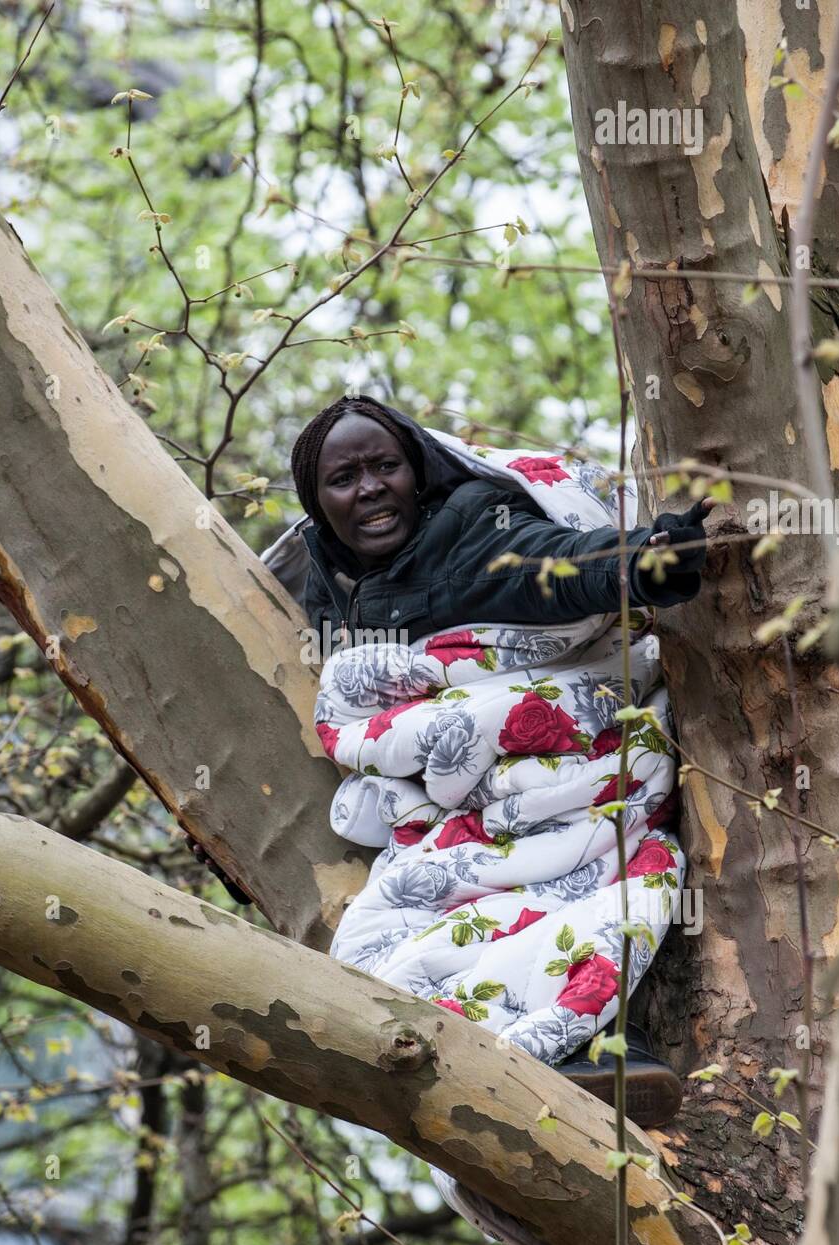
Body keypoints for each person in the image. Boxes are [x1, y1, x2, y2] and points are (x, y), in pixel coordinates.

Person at [194, 393, 717, 1125]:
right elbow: (351, 697)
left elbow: (558, 567)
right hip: (450, 798)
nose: (371, 486)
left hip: (564, 765)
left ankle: (590, 1046)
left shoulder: (472, 522)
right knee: (382, 944)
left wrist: (643, 565)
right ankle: (539, 1061)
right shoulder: (325, 575)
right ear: (318, 502)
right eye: (345, 479)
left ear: (418, 470)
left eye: (386, 466)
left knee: (580, 889)